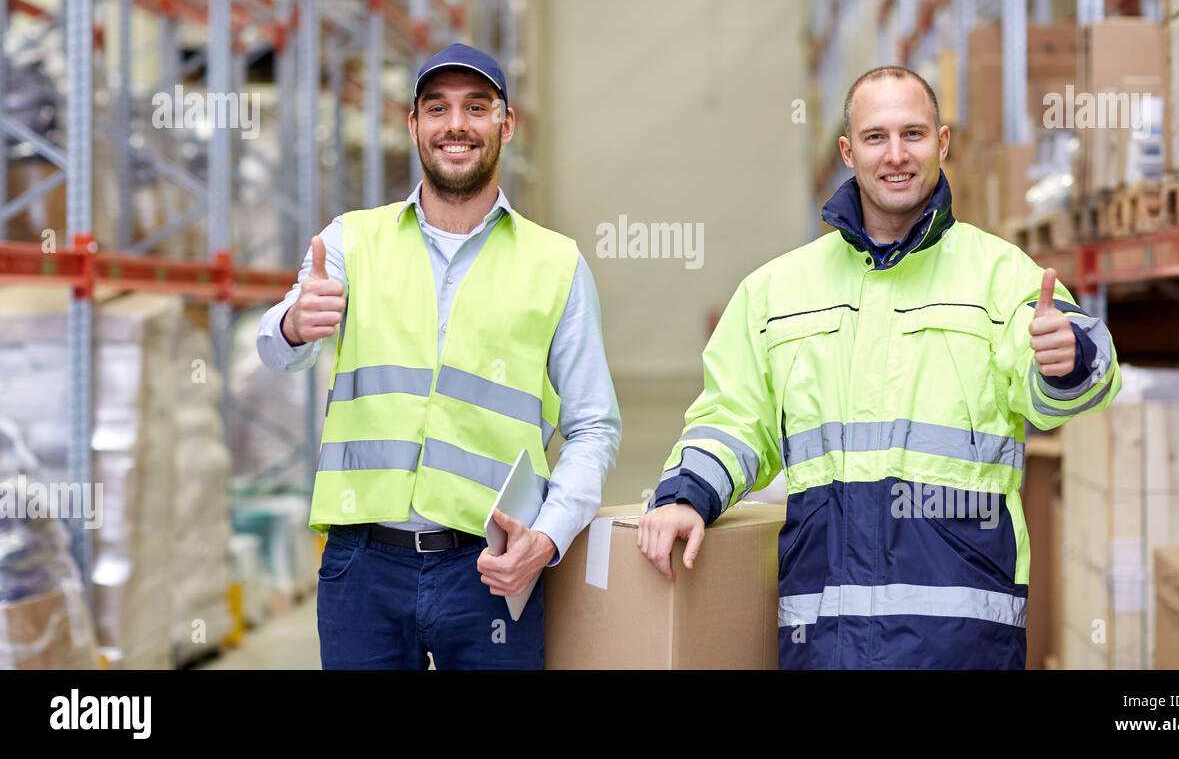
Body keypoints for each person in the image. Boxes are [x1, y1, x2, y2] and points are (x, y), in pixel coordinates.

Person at [636, 65, 1119, 669]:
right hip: (825, 634)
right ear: (847, 152)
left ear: (942, 144)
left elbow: (1073, 383)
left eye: (913, 134)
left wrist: (1067, 358)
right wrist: (686, 496)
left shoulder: (1000, 276)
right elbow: (733, 419)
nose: (896, 155)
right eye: (876, 137)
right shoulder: (776, 292)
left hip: (961, 639)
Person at [257, 43, 620, 669]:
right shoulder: (351, 240)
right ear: (414, 125)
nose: (456, 125)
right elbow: (277, 350)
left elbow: (594, 426)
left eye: (476, 108)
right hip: (361, 566)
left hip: (489, 568)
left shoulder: (556, 264)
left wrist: (548, 539)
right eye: (437, 108)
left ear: (505, 125)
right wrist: (292, 324)